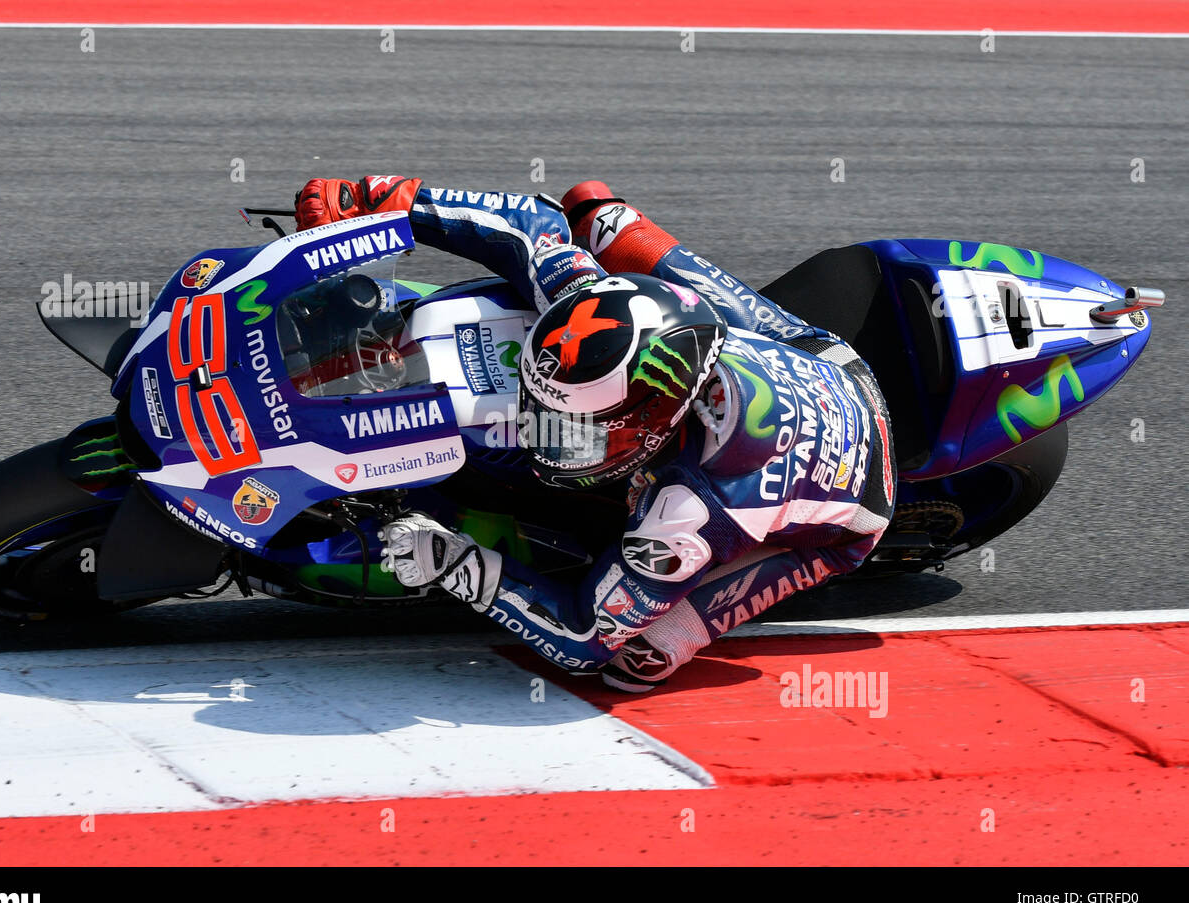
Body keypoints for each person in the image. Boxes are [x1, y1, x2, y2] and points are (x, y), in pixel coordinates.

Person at [294, 175, 896, 691]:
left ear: (649, 422)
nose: (543, 435)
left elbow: (582, 637)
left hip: (855, 508)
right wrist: (378, 198)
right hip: (821, 358)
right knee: (598, 219)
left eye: (572, 426)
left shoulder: (688, 514)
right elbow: (529, 223)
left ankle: (693, 624)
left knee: (637, 660)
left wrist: (455, 564)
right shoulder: (603, 304)